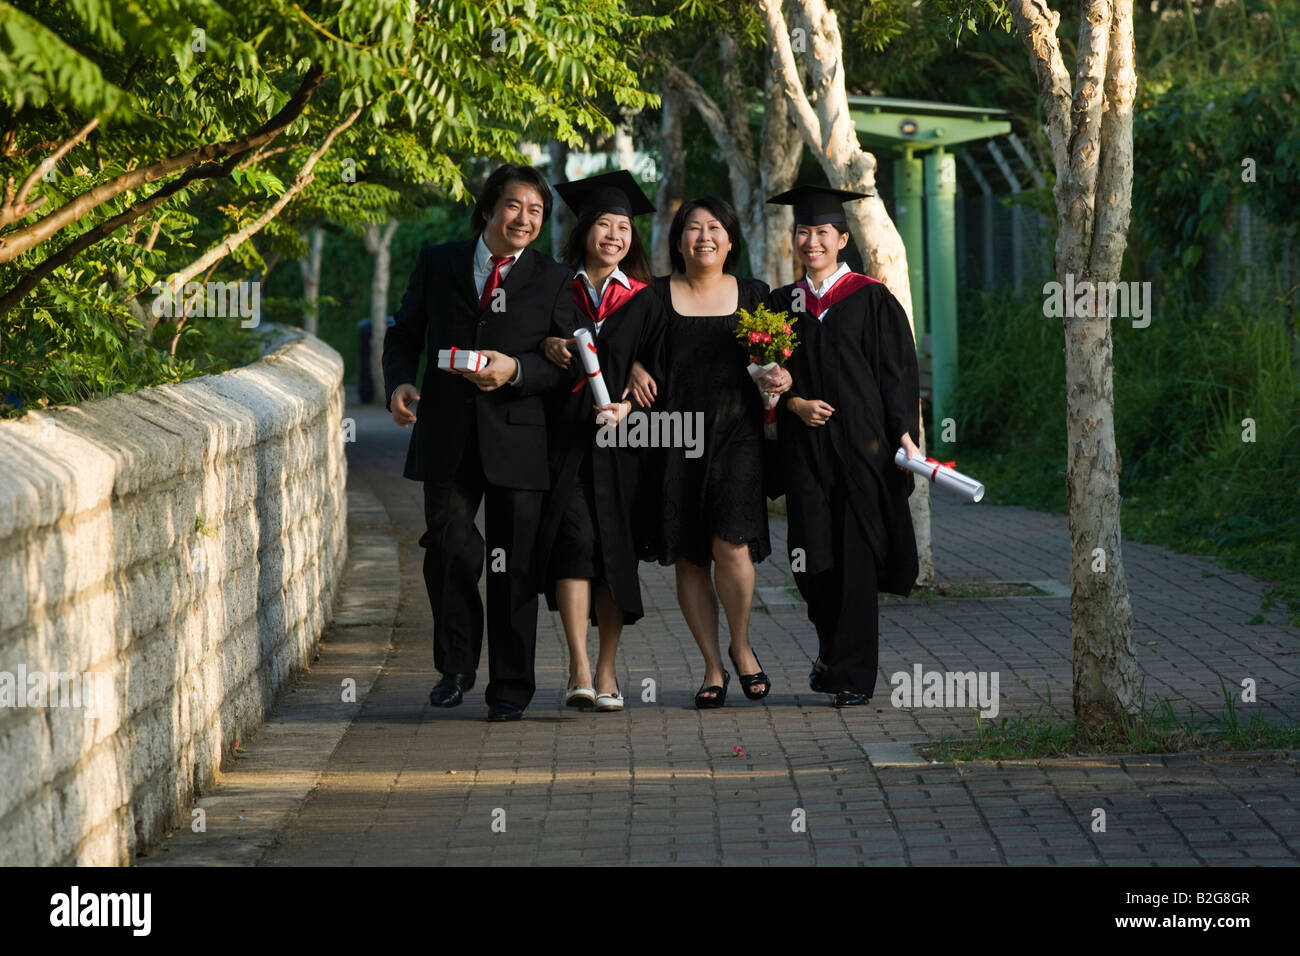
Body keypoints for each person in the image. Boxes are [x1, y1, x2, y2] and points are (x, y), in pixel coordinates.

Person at [382, 164, 577, 722]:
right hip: (445, 433)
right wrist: (399, 381)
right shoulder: (438, 261)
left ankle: (511, 689)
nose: (526, 219)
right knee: (450, 547)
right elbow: (404, 332)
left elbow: (563, 364)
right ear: (489, 209)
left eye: (537, 211)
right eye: (516, 206)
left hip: (518, 439)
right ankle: (457, 666)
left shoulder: (553, 279)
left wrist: (516, 370)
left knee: (513, 564)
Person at [765, 184, 922, 707]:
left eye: (822, 233)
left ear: (842, 239)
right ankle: (830, 650)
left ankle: (853, 674)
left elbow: (897, 374)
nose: (812, 241)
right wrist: (794, 405)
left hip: (862, 451)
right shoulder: (780, 306)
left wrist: (903, 433)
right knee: (812, 563)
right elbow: (764, 378)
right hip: (806, 454)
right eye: (804, 232)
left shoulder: (871, 298)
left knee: (855, 563)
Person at [642, 196, 790, 708]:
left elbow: (774, 363)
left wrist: (781, 378)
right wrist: (634, 370)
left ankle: (742, 644)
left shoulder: (755, 294)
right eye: (692, 228)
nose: (703, 236)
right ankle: (711, 664)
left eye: (714, 228)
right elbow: (625, 350)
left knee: (731, 544)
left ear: (730, 239)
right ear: (678, 239)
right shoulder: (655, 297)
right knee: (688, 556)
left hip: (737, 438)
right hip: (674, 438)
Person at [535, 170, 668, 713]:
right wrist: (546, 342)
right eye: (604, 225)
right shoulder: (551, 286)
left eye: (624, 227)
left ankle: (609, 669)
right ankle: (579, 668)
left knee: (616, 554)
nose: (614, 235)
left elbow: (662, 371)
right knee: (572, 546)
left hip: (624, 444)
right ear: (584, 229)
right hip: (563, 439)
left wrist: (631, 399)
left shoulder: (645, 299)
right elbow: (523, 342)